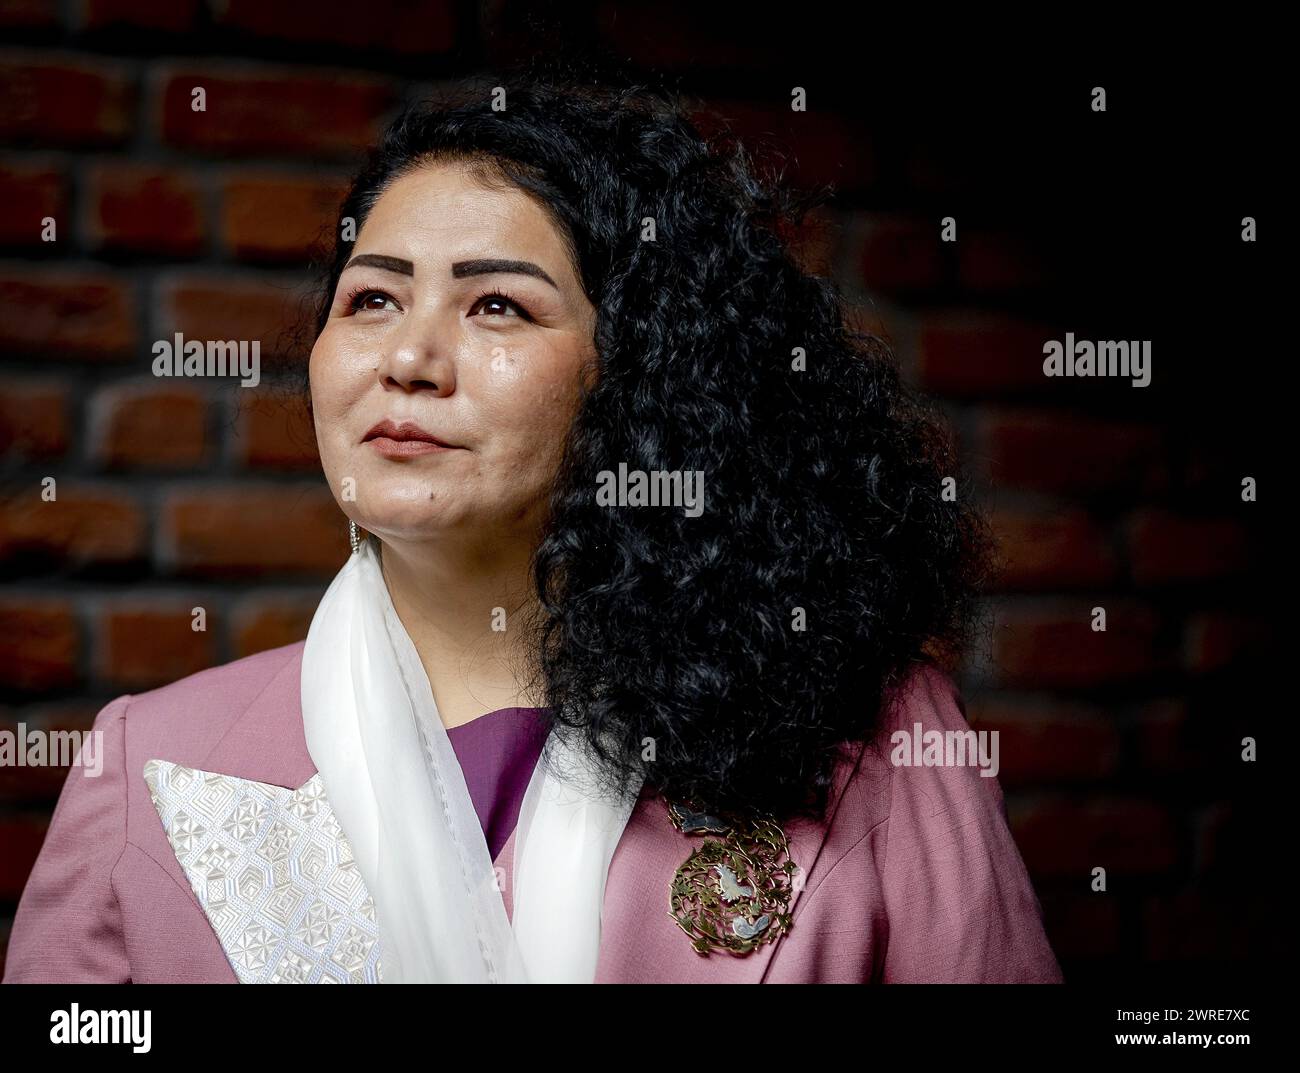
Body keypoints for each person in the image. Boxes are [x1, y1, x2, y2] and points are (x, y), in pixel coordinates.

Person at [2, 76, 1061, 984]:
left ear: (639, 376)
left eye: (496, 306)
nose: (408, 357)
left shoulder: (871, 735)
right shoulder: (147, 757)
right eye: (370, 299)